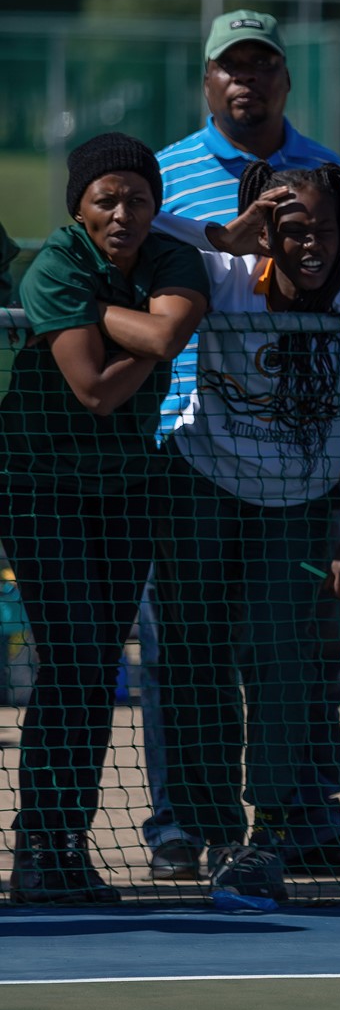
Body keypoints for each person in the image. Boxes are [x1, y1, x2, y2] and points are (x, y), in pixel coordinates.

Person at [146, 162, 340, 910]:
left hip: (298, 501)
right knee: (193, 660)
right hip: (202, 483)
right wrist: (220, 235)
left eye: (325, 228)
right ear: (263, 230)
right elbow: (127, 221)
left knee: (285, 664)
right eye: (292, 230)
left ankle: (267, 832)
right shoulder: (222, 270)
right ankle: (211, 831)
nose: (311, 245)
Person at [145, 8, 340, 882]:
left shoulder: (324, 169)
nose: (247, 80)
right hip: (186, 445)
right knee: (185, 648)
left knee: (299, 651)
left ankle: (299, 819)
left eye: (262, 65)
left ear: (285, 78)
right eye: (231, 67)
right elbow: (124, 244)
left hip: (299, 454)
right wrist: (219, 240)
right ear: (207, 80)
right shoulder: (163, 172)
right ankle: (182, 825)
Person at [2, 133, 208, 903]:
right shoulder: (55, 264)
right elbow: (96, 388)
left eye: (138, 199)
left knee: (94, 670)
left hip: (126, 488)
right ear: (79, 206)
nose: (123, 214)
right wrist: (151, 331)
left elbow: (166, 331)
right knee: (76, 659)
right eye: (106, 200)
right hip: (40, 486)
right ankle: (38, 848)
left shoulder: (173, 258)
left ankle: (68, 844)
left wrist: (103, 317)